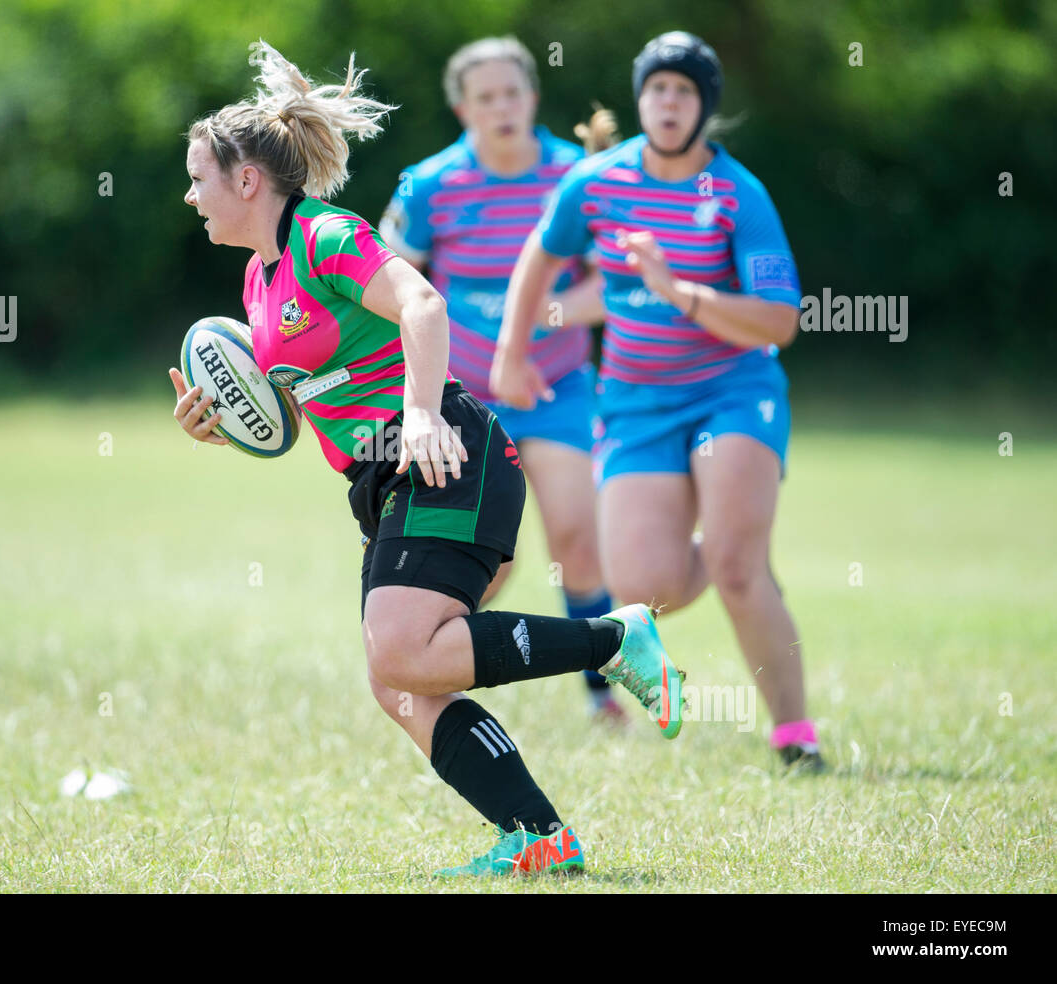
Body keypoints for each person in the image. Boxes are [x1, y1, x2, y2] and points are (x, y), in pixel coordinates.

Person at [171, 40, 688, 877]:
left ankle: (612, 638)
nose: (190, 195)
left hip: (446, 450)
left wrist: (417, 415)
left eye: (199, 177)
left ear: (246, 180)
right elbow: (303, 404)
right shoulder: (260, 288)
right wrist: (223, 421)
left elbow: (423, 304)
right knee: (400, 679)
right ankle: (540, 838)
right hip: (380, 482)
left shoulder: (326, 236)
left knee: (404, 651)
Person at [493, 31, 823, 770]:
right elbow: (538, 258)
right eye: (657, 89)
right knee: (647, 590)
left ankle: (796, 736)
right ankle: (728, 541)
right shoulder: (598, 182)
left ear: (705, 106)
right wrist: (512, 352)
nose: (669, 102)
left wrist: (683, 294)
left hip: (733, 394)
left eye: (684, 91)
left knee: (738, 574)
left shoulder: (739, 193)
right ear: (642, 100)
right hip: (637, 402)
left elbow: (780, 320)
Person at [378, 37, 628, 723]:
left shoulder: (577, 175)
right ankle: (427, 664)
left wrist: (544, 316)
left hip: (557, 388)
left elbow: (617, 285)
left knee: (576, 540)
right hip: (461, 404)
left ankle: (604, 694)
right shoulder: (428, 184)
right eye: (485, 97)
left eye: (512, 93)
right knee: (489, 564)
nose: (502, 108)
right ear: (462, 107)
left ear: (534, 98)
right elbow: (384, 289)